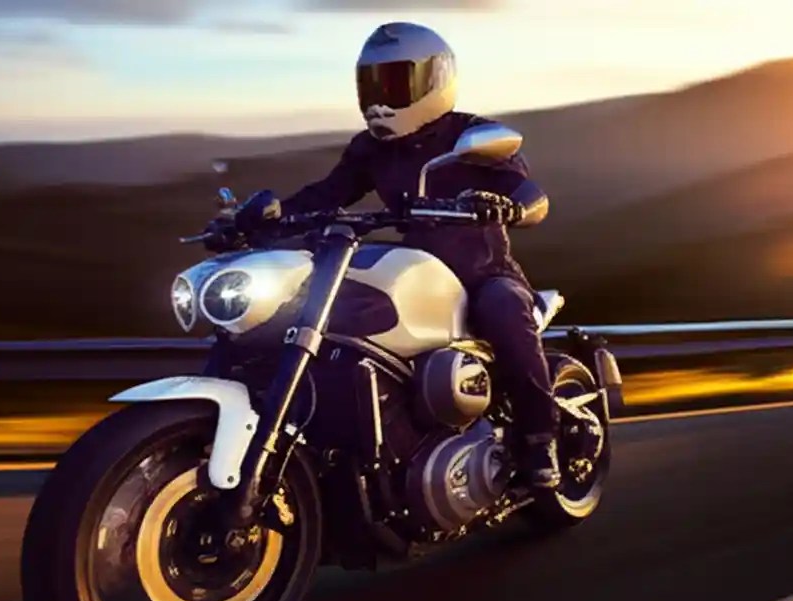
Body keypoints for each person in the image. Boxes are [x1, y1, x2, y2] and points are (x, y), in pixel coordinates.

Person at [219, 21, 561, 489]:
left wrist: (510, 205)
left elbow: (532, 195)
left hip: (482, 273)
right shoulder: (370, 149)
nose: (381, 99)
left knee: (504, 310)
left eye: (397, 83)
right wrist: (270, 215)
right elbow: (329, 193)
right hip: (416, 271)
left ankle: (541, 438)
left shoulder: (472, 137)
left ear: (435, 81)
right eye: (373, 84)